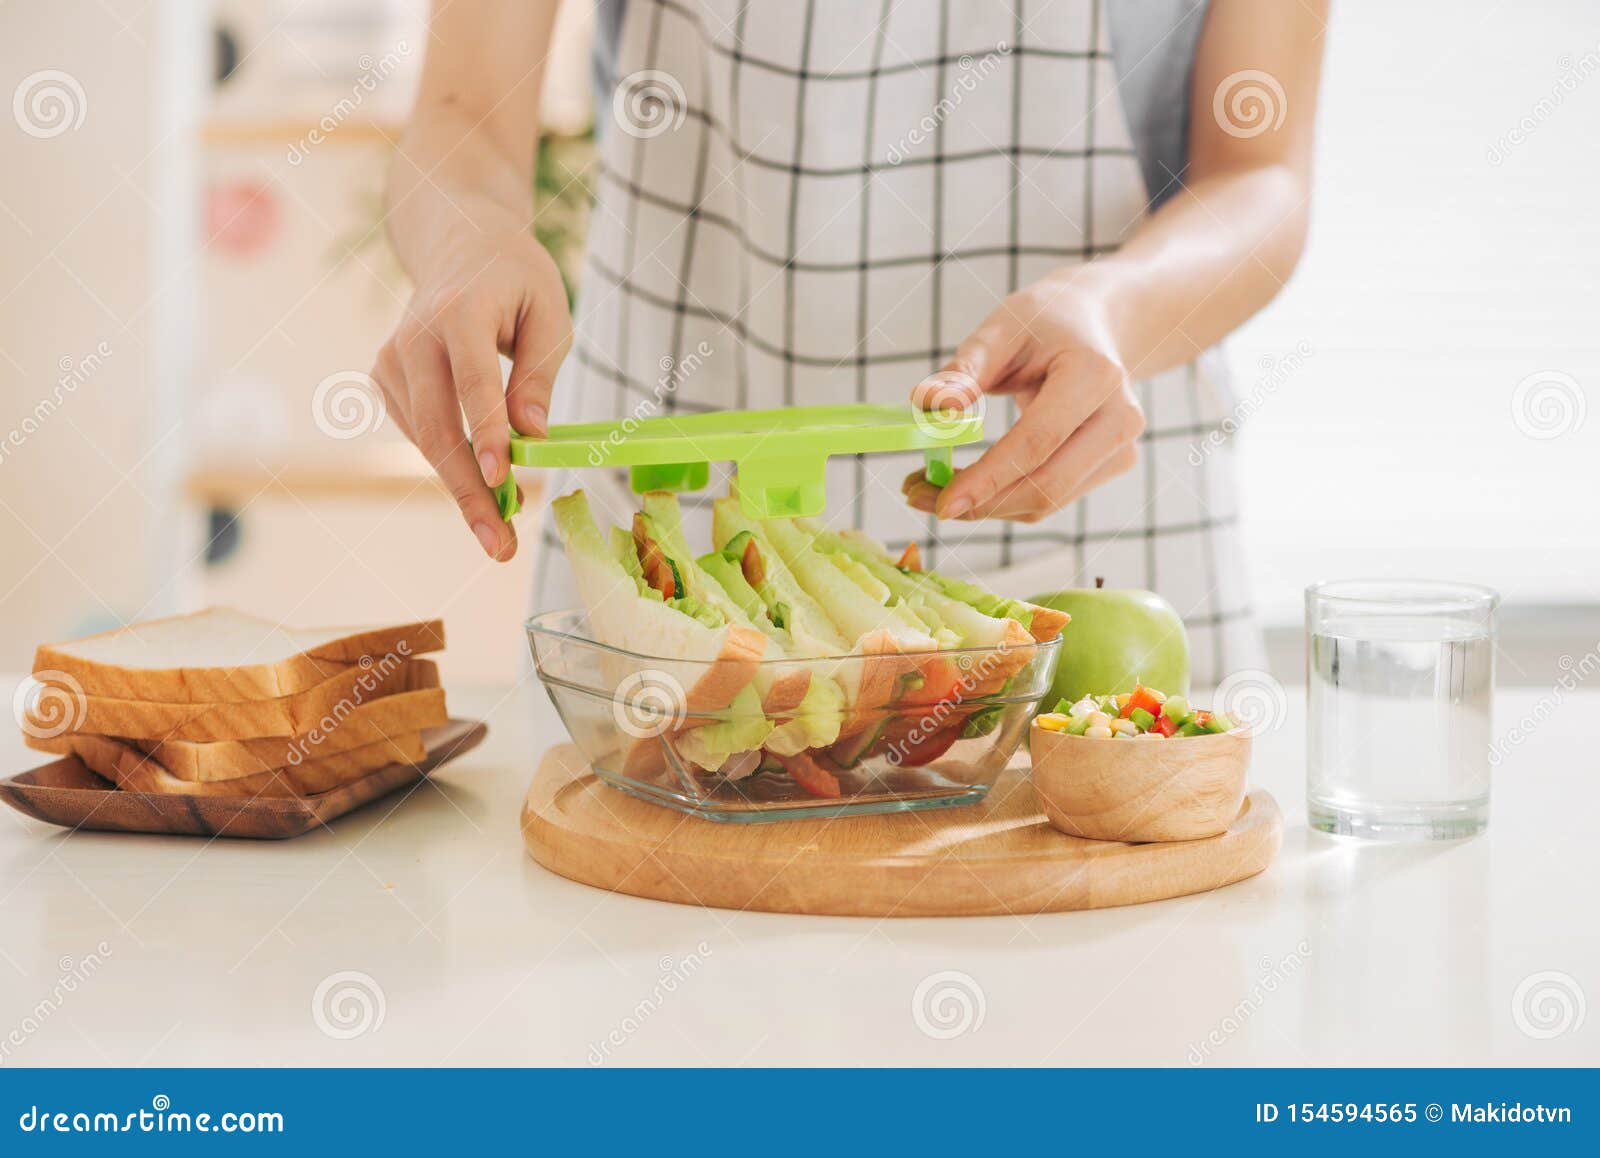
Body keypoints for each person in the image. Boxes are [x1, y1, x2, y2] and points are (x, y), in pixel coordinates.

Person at [373, 0, 1326, 683]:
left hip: (1089, 494)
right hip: (669, 508)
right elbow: (463, 113)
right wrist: (463, 238)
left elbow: (1259, 173)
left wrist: (1115, 308)